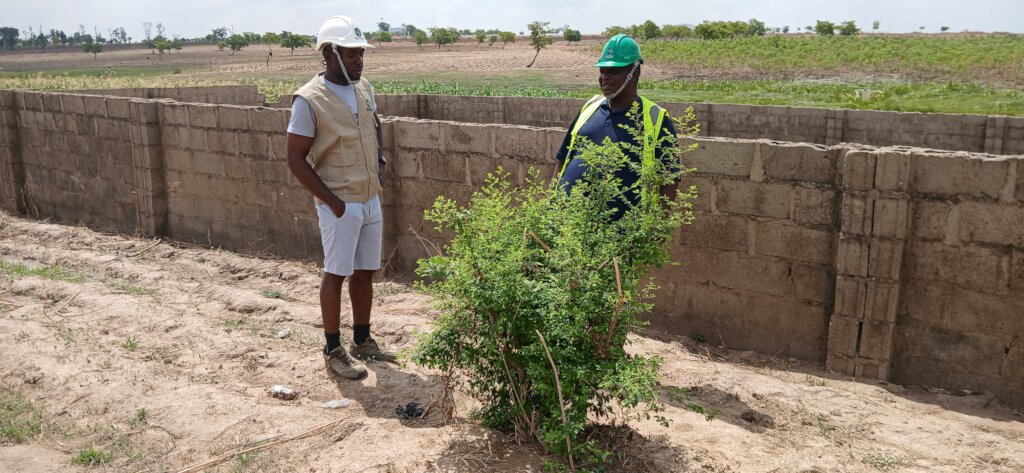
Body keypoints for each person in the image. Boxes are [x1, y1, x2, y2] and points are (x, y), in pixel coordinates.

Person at [286, 15, 394, 380]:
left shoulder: (364, 88)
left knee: (366, 271)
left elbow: (375, 124)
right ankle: (333, 349)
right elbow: (295, 159)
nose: (359, 61)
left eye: (361, 54)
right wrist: (332, 203)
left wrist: (380, 162)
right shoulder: (309, 100)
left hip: (369, 197)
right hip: (340, 202)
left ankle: (362, 341)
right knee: (336, 274)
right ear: (330, 53)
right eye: (351, 54)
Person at [554, 34, 680, 219]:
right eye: (602, 71)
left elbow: (670, 177)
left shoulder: (655, 119)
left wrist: (658, 225)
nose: (604, 78)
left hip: (623, 233)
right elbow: (563, 159)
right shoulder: (590, 108)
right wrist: (551, 201)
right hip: (570, 227)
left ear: (635, 73)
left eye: (612, 72)